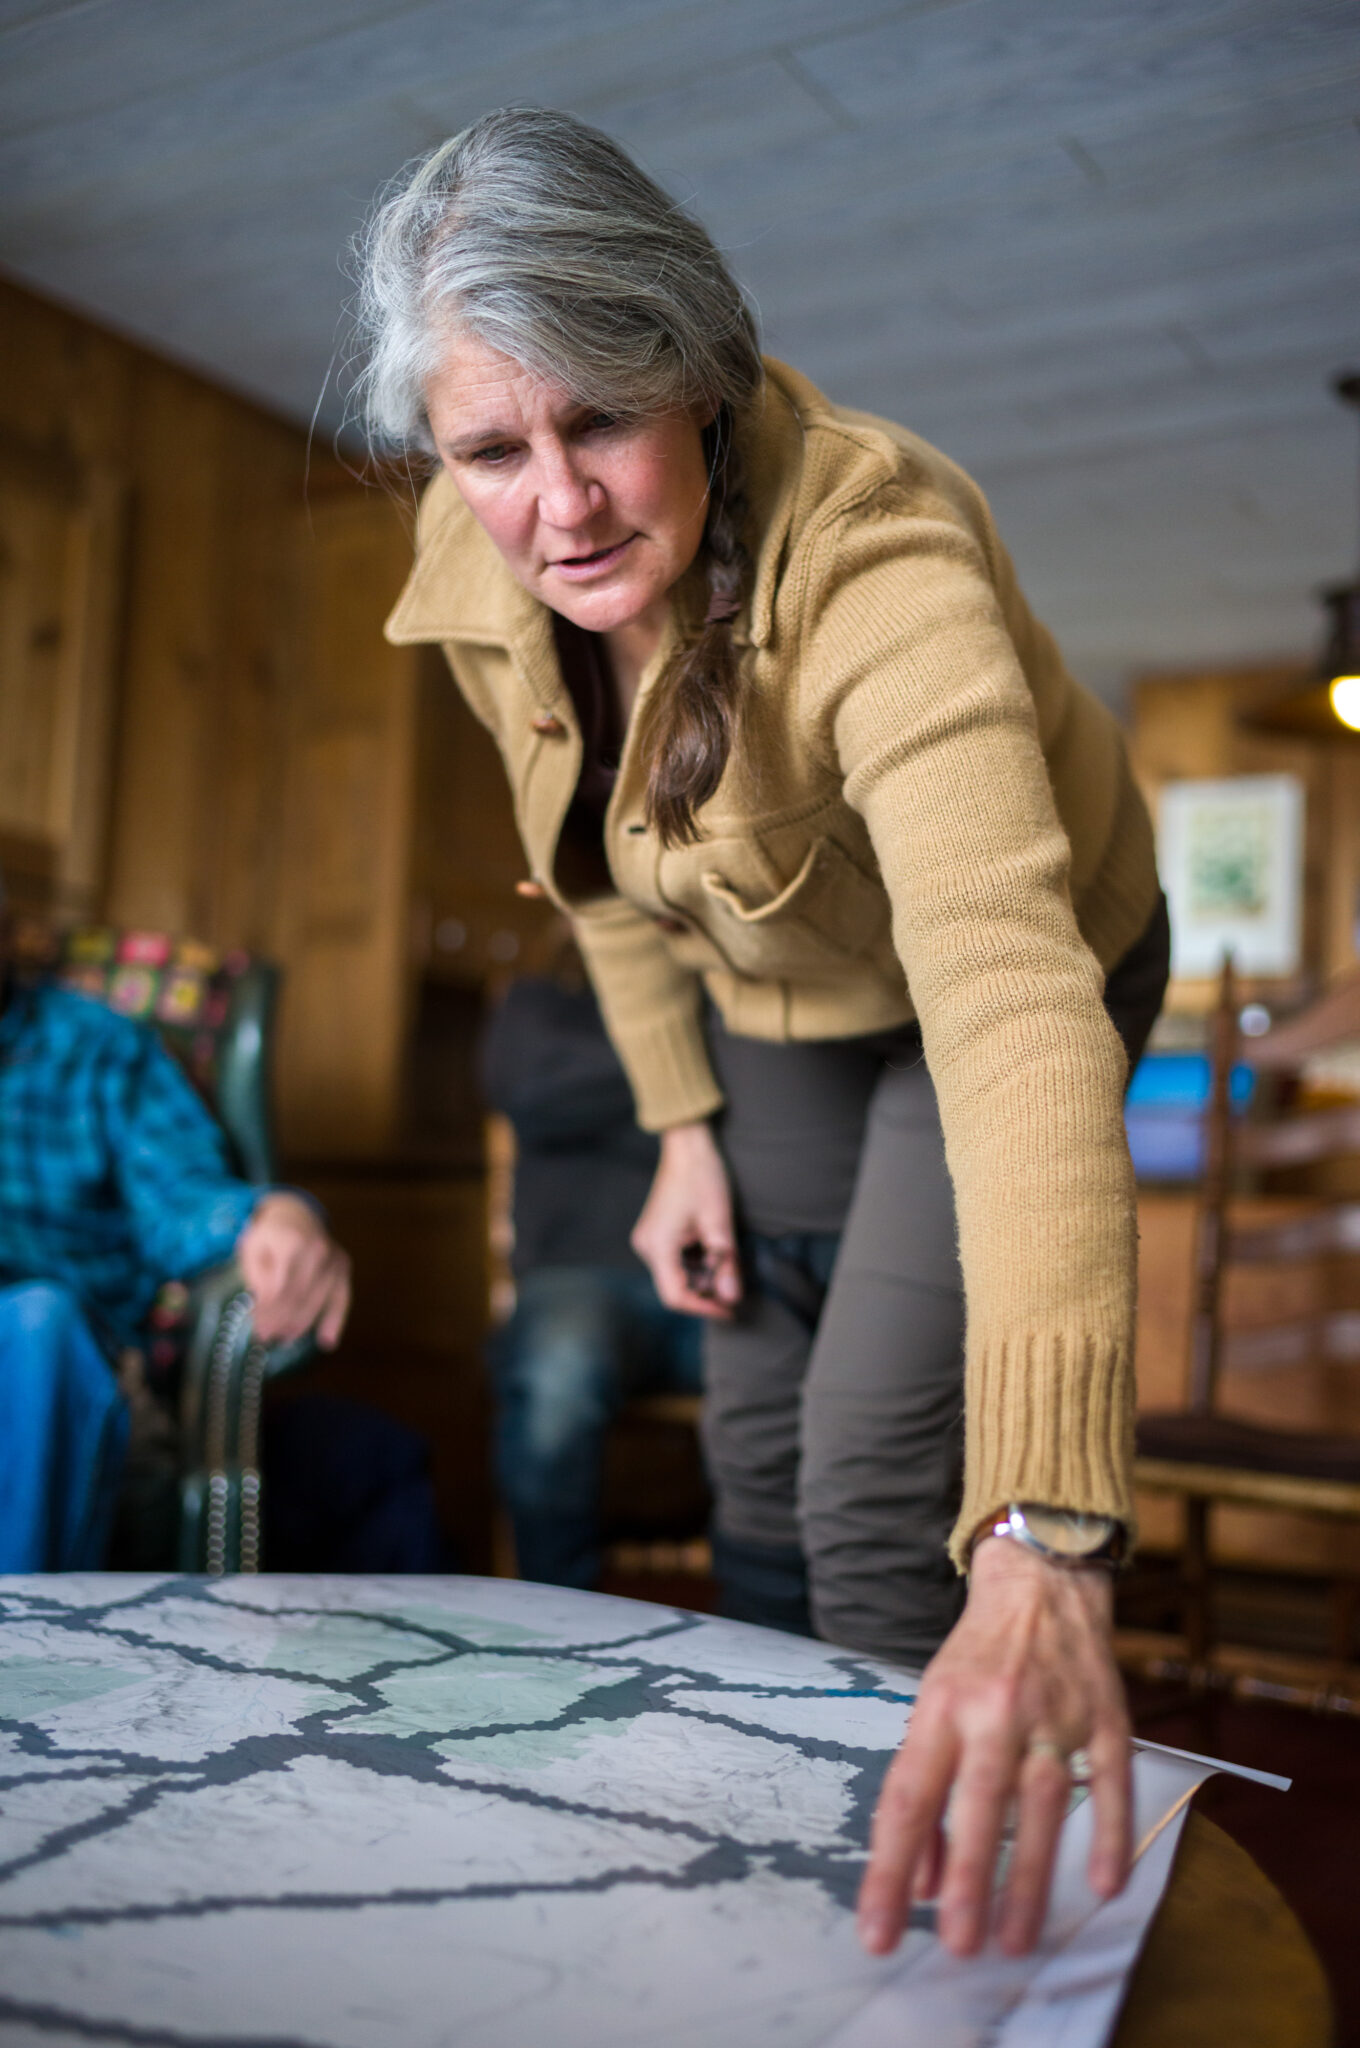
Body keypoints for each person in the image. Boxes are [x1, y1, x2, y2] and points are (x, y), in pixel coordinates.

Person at [356, 108, 1169, 1961]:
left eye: (601, 421)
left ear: (699, 380)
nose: (557, 503)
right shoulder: (492, 565)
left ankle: (918, 1922)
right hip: (787, 994)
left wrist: (1050, 1532)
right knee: (753, 1419)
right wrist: (685, 1133)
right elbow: (598, 870)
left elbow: (1004, 994)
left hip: (1021, 963)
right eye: (493, 445)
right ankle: (779, 1839)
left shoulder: (882, 556)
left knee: (884, 1475)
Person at [0, 876, 352, 1572]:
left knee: (37, 1323)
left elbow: (183, 1199)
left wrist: (276, 1213)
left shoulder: (98, 1048)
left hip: (60, 1362)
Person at [480, 961, 703, 1590]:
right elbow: (526, 1088)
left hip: (723, 1276)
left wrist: (622, 1097)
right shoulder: (540, 1000)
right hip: (581, 1278)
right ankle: (556, 1622)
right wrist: (693, 1081)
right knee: (560, 1370)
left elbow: (778, 1105)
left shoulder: (728, 992)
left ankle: (776, 1637)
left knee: (827, 1372)